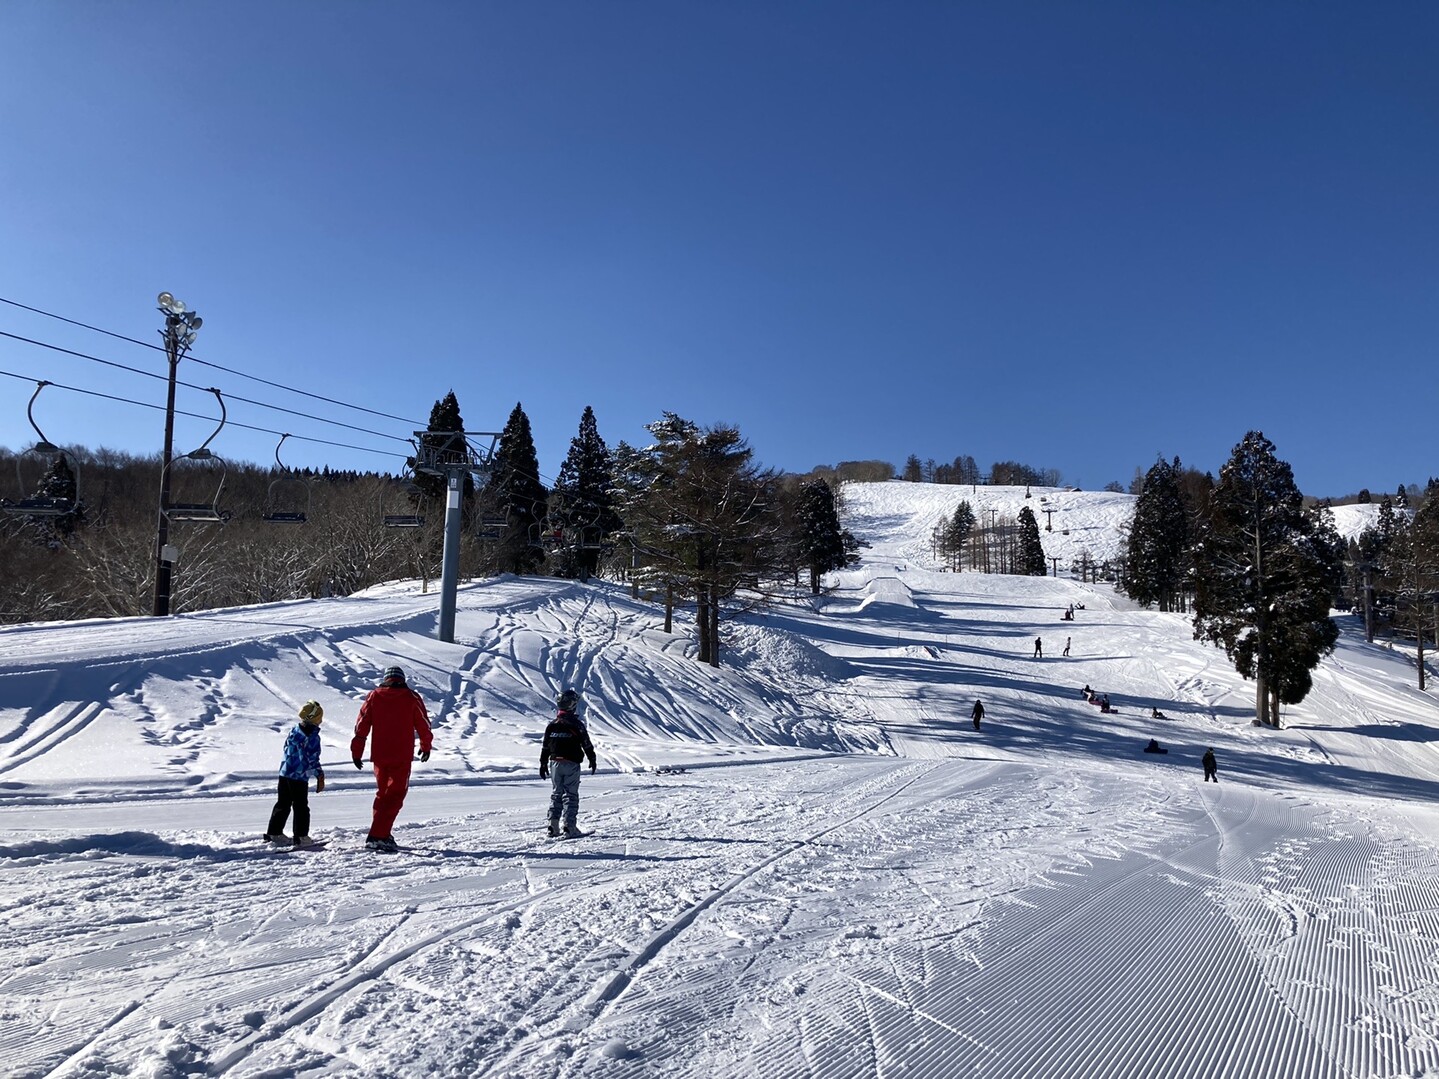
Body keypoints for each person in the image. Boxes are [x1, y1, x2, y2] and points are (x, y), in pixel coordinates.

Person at [351, 666, 433, 852]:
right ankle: (378, 836)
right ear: (402, 680)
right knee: (395, 795)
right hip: (401, 755)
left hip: (380, 755)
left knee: (383, 794)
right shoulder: (411, 697)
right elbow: (423, 724)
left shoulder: (374, 696)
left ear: (386, 679)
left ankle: (382, 832)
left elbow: (361, 725)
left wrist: (357, 751)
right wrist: (425, 746)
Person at [265, 700, 326, 846]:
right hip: (299, 776)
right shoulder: (312, 737)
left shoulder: (294, 730)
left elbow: (286, 748)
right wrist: (319, 774)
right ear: (316, 719)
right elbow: (312, 758)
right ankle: (301, 836)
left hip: (285, 772)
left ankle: (274, 832)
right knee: (301, 806)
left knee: (283, 803)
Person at [541, 688, 597, 837]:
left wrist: (543, 763)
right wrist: (592, 758)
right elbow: (586, 743)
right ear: (572, 705)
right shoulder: (576, 724)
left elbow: (545, 746)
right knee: (570, 795)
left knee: (556, 794)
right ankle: (569, 826)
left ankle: (553, 826)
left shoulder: (552, 724)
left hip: (554, 763)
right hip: (571, 763)